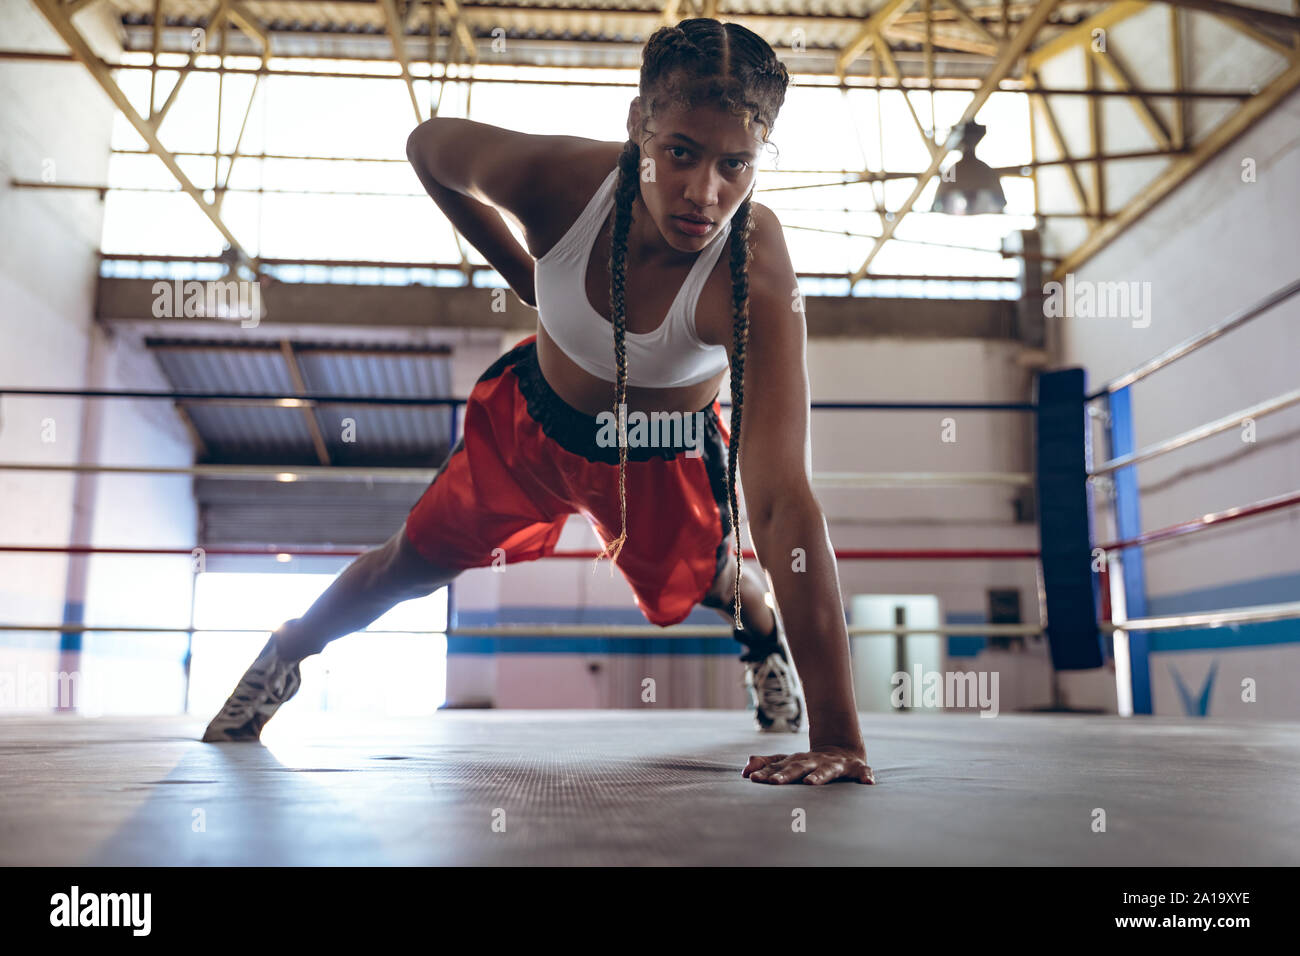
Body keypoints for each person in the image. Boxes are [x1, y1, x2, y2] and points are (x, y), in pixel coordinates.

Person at [203, 17, 874, 786]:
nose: (703, 193)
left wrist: (840, 737)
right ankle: (285, 655)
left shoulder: (752, 273)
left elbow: (785, 504)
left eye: (736, 165)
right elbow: (429, 148)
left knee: (713, 580)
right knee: (409, 564)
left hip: (658, 457)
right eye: (679, 153)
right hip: (529, 429)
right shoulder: (557, 181)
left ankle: (763, 649)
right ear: (637, 126)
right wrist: (523, 273)